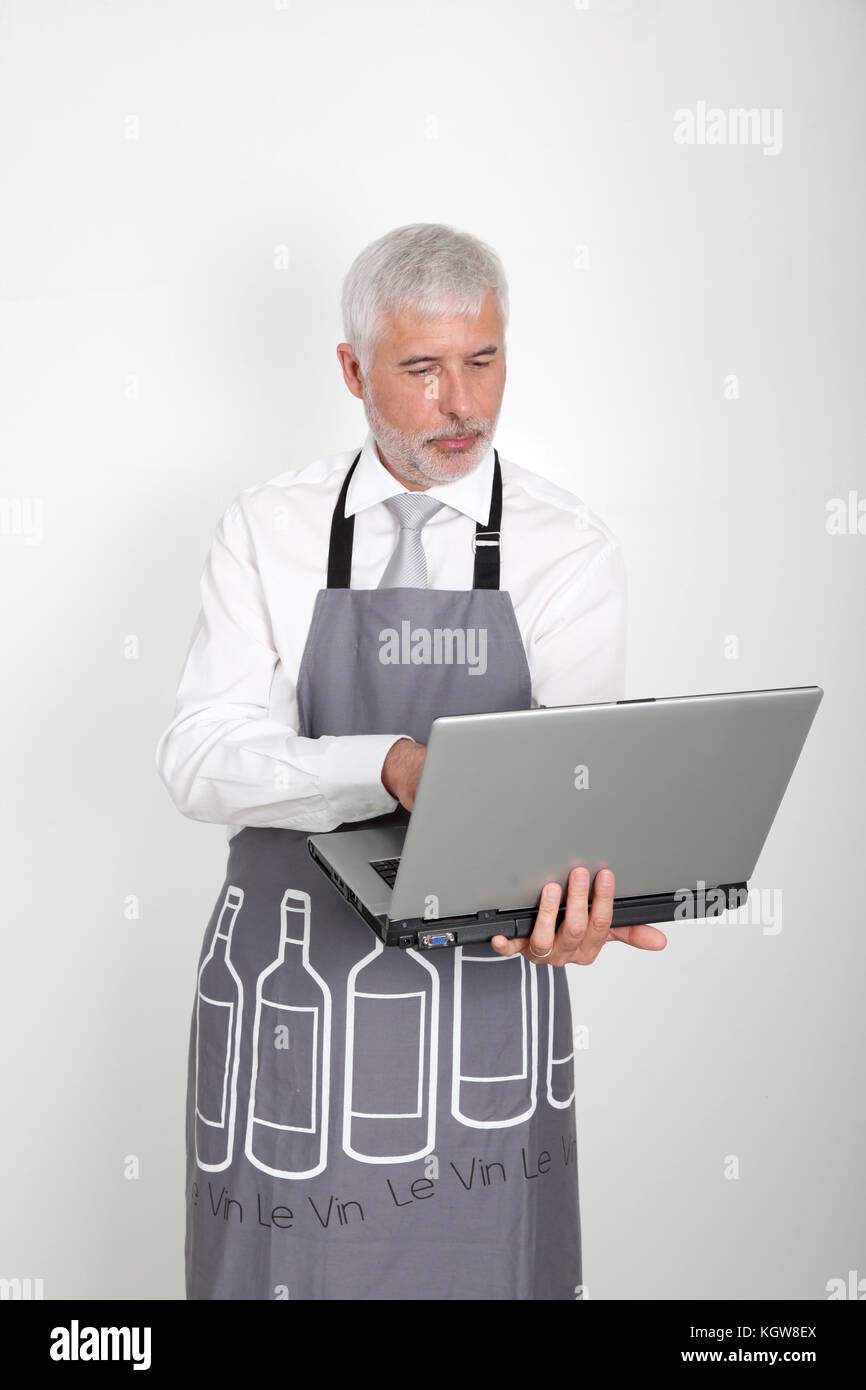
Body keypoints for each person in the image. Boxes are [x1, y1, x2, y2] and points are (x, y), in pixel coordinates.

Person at [155, 222, 667, 1302]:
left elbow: (579, 789)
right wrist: (387, 764)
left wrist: (587, 897)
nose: (461, 404)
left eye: (481, 362)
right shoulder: (265, 527)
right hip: (293, 994)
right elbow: (201, 758)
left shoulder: (565, 547)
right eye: (422, 369)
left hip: (482, 1002)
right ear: (351, 370)